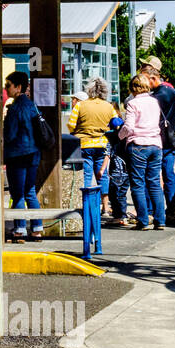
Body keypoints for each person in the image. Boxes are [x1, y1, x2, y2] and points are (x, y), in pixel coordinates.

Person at [69, 77, 118, 256]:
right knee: (102, 175)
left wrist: (81, 132)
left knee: (88, 179)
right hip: (102, 143)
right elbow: (117, 124)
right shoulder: (108, 107)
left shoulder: (81, 106)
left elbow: (70, 125)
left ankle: (90, 208)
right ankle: (103, 204)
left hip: (85, 145)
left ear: (89, 90)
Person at [141, 56, 175, 225]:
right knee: (169, 176)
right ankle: (171, 211)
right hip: (170, 139)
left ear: (152, 76)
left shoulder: (153, 97)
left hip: (155, 140)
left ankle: (152, 212)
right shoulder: (172, 91)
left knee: (150, 177)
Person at [120, 73, 166, 230]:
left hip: (138, 144)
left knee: (138, 184)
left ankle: (143, 220)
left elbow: (129, 127)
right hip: (155, 144)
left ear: (133, 88)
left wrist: (120, 136)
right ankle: (160, 220)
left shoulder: (133, 104)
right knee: (154, 183)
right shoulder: (155, 102)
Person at [2, 71, 43, 241]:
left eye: (8, 85)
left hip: (17, 155)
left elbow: (10, 135)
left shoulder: (14, 108)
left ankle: (20, 229)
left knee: (17, 194)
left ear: (18, 87)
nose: (6, 89)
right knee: (30, 192)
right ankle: (37, 228)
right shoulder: (32, 105)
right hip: (33, 155)